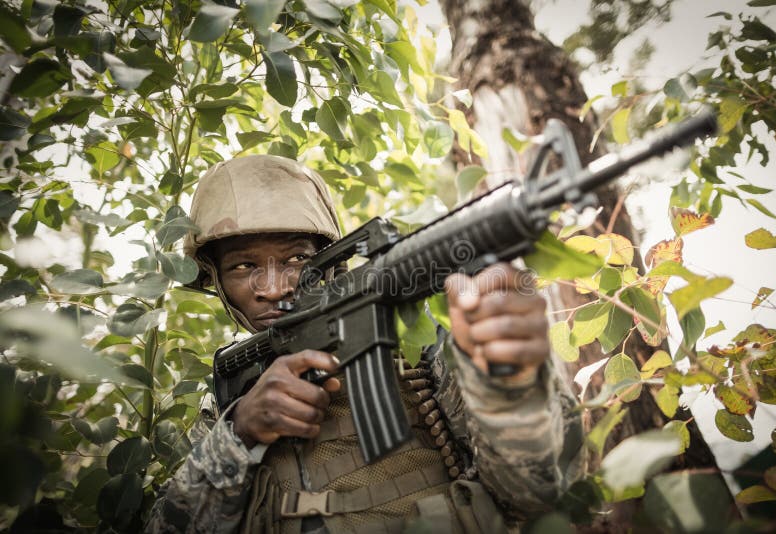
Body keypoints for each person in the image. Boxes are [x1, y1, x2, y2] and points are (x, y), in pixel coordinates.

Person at [145, 155, 584, 533]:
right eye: (243, 266)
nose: (274, 288)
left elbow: (541, 494)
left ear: (331, 259)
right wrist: (240, 432)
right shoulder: (228, 403)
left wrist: (510, 385)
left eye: (297, 258)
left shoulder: (416, 344)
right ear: (216, 280)